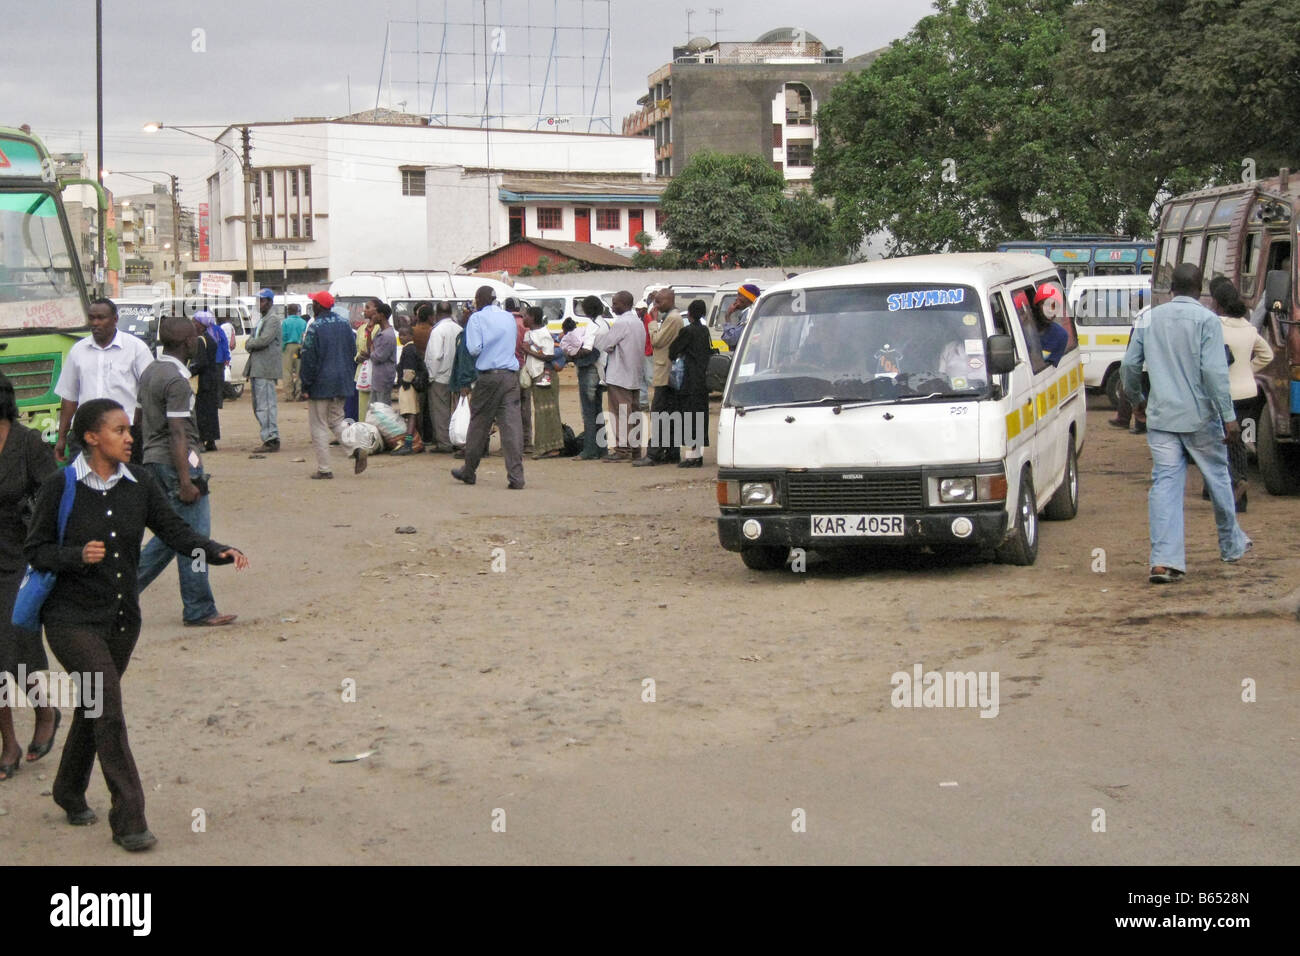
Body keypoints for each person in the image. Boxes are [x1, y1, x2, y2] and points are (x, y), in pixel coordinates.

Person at [25, 398, 247, 851]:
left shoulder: (140, 483)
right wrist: (74, 556)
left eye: (130, 430)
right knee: (106, 702)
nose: (130, 437)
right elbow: (37, 550)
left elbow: (175, 532)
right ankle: (129, 819)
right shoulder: (60, 485)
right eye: (119, 430)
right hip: (70, 620)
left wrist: (217, 550)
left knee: (95, 706)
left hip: (122, 620)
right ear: (91, 437)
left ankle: (68, 790)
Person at [1120, 263, 1252, 584]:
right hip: (1200, 417)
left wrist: (1137, 400)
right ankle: (1230, 545)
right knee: (1218, 477)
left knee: (1165, 484)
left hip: (1162, 418)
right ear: (1200, 288)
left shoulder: (1149, 317)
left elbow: (1129, 365)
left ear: (1171, 288)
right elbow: (1214, 373)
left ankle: (1163, 562)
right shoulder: (1207, 320)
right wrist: (1229, 417)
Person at [135, 316, 238, 626]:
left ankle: (118, 590)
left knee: (172, 537)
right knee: (193, 540)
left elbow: (139, 419)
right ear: (188, 343)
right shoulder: (176, 381)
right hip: (177, 465)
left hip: (154, 461)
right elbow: (178, 432)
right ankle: (198, 608)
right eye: (195, 337)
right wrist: (185, 480)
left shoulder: (151, 371)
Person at [0, 373, 60, 782]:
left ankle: (45, 709)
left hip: (18, 554)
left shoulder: (27, 444)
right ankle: (8, 742)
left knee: (14, 641)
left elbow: (53, 495)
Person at [52, 298, 153, 465]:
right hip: (85, 433)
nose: (95, 323)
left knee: (124, 484)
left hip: (123, 434)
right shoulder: (78, 351)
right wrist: (61, 437)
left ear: (115, 320)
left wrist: (141, 428)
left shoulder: (136, 349)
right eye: (92, 318)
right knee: (82, 484)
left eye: (101, 318)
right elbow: (69, 397)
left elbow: (149, 391)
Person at [451, 286, 525, 489]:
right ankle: (516, 476)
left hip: (488, 377)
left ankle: (469, 470)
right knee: (511, 427)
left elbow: (474, 348)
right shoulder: (508, 317)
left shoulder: (477, 318)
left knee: (479, 426)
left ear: (479, 299)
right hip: (510, 376)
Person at [1211, 277, 1273, 512]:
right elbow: (1266, 355)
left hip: (1224, 395)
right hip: (1248, 393)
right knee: (1239, 443)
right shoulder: (1249, 328)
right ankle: (1241, 500)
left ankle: (1236, 481)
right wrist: (1248, 370)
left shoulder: (1215, 325)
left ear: (1217, 303)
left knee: (1217, 444)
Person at [300, 291, 368, 478]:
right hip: (342, 382)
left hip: (321, 383)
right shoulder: (344, 325)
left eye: (314, 302)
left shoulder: (315, 327)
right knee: (337, 420)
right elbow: (352, 352)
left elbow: (308, 358)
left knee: (319, 425)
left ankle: (324, 469)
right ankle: (356, 448)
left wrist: (305, 385)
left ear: (319, 306)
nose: (312, 305)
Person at [635, 288, 684, 466]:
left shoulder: (672, 318)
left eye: (659, 301)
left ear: (670, 300)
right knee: (669, 414)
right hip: (667, 373)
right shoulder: (670, 316)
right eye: (655, 301)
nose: (656, 305)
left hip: (666, 374)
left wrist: (653, 322)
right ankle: (670, 452)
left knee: (659, 413)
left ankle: (654, 453)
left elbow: (657, 341)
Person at [596, 291, 646, 462]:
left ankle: (622, 449)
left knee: (619, 413)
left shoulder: (622, 322)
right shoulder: (638, 322)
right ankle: (635, 449)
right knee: (633, 412)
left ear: (624, 304)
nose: (612, 306)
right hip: (634, 374)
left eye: (615, 303)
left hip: (619, 375)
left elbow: (605, 344)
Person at [670, 299, 712, 468]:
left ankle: (691, 457)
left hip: (689, 379)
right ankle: (698, 455)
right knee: (700, 417)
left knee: (689, 417)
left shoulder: (687, 331)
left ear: (689, 313)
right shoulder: (705, 331)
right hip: (703, 380)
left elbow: (673, 350)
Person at [523, 306, 564, 459]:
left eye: (526, 316)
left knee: (547, 412)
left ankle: (549, 447)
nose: (524, 318)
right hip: (536, 375)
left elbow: (548, 355)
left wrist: (529, 351)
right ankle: (547, 446)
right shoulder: (530, 333)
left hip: (545, 375)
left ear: (533, 317)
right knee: (542, 411)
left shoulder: (543, 334)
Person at [245, 289, 282, 452]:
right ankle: (268, 436)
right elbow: (252, 340)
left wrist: (251, 343)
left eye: (261, 301)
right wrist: (251, 342)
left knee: (266, 405)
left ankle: (271, 438)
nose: (258, 304)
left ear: (269, 302)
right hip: (258, 368)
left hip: (265, 369)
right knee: (259, 405)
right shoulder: (262, 319)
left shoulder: (272, 320)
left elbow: (263, 340)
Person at [573, 296, 610, 460]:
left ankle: (589, 450)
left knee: (588, 412)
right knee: (597, 411)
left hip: (590, 369)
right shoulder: (604, 324)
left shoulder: (592, 325)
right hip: (601, 370)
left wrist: (572, 354)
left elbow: (587, 349)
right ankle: (602, 448)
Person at [425, 301, 461, 453]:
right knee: (455, 410)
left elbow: (435, 356)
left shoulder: (438, 331)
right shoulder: (459, 328)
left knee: (440, 411)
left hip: (439, 376)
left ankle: (444, 443)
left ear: (437, 314)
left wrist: (431, 376)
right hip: (456, 376)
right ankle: (456, 440)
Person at [191, 311, 225, 452]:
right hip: (212, 379)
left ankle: (200, 441)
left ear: (200, 325)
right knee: (211, 411)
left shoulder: (200, 340)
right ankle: (211, 441)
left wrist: (188, 371)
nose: (192, 324)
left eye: (194, 322)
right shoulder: (210, 338)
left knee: (201, 411)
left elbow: (201, 362)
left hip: (203, 382)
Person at [504, 298, 534, 455]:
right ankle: (527, 442)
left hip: (509, 369)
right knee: (525, 405)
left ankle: (512, 443)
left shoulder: (504, 324)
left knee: (509, 407)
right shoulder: (526, 325)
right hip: (525, 368)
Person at [448, 305, 479, 458]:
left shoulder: (468, 334)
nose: (462, 316)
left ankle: (471, 446)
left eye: (465, 313)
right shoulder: (466, 333)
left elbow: (466, 360)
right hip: (469, 379)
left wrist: (465, 383)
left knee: (471, 415)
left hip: (469, 381)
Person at [392, 326, 426, 456]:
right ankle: (417, 442)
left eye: (405, 335)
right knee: (413, 413)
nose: (401, 337)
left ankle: (408, 444)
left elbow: (409, 370)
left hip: (408, 386)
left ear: (411, 336)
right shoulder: (413, 348)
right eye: (400, 335)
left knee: (410, 414)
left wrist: (405, 383)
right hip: (412, 386)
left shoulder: (408, 350)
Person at [363, 302, 398, 409]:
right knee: (373, 408)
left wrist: (371, 351)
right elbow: (370, 349)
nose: (373, 317)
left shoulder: (387, 335)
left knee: (382, 410)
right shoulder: (380, 332)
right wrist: (369, 333)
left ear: (381, 316)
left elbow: (377, 357)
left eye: (376, 314)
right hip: (377, 378)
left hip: (384, 378)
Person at [411, 302, 435, 442]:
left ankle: (419, 435)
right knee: (430, 406)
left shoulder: (413, 331)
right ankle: (429, 435)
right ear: (430, 317)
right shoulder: (432, 331)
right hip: (430, 369)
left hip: (417, 371)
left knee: (418, 405)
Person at [1032, 285, 1069, 368]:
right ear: (1036, 305)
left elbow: (1044, 369)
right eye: (1046, 304)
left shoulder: (1060, 336)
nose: (1050, 310)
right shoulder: (1022, 329)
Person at [721, 283, 760, 352]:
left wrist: (727, 316)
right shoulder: (750, 312)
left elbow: (732, 339)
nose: (737, 298)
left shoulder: (748, 313)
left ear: (748, 298)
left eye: (740, 295)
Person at [281, 304, 307, 402]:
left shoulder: (285, 322)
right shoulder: (303, 322)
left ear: (288, 311)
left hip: (288, 347)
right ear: (297, 311)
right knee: (299, 371)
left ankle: (289, 395)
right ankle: (299, 393)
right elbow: (305, 335)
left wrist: (282, 349)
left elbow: (283, 336)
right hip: (300, 348)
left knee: (287, 371)